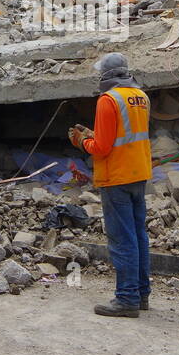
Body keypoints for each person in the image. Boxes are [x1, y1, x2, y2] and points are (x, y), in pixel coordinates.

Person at [68, 52, 151, 317]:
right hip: (138, 172)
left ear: (106, 75)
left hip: (116, 177)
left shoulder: (108, 100)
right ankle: (141, 295)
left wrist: (82, 141)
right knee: (138, 236)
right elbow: (122, 136)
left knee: (122, 239)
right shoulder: (141, 96)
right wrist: (95, 135)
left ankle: (126, 299)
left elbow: (102, 148)